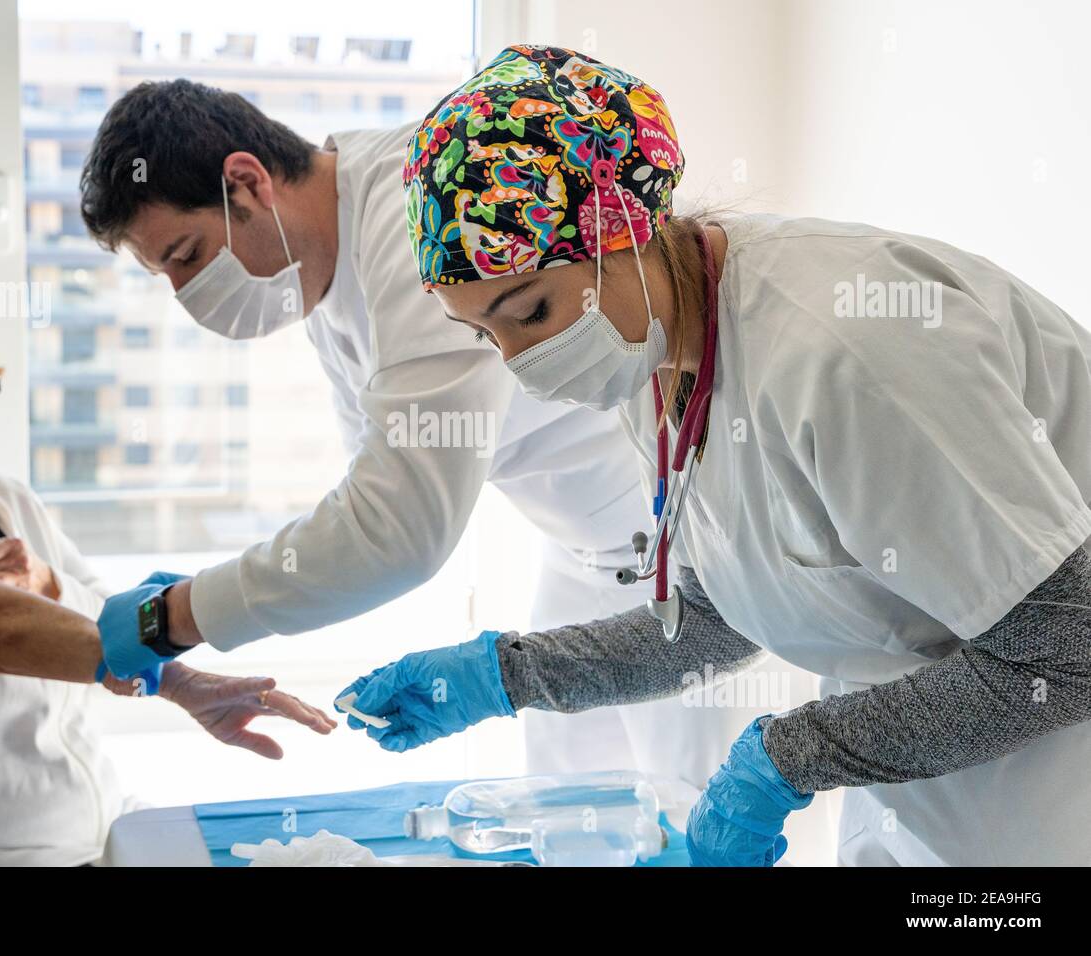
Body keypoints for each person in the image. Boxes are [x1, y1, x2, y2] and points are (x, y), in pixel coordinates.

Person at [337, 44, 1091, 866]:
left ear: (620, 227)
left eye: (531, 310)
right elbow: (724, 612)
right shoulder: (653, 354)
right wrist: (508, 674)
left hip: (1059, 780)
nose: (519, 362)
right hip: (927, 773)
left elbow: (1068, 645)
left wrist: (785, 758)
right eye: (486, 333)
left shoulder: (849, 349)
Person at [77, 78, 807, 798]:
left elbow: (397, 529)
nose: (184, 294)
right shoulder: (326, 273)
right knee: (565, 812)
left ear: (247, 183)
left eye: (185, 255)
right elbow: (372, 491)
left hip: (682, 565)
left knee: (678, 818)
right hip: (583, 553)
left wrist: (175, 615)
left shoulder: (412, 219)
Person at [0, 293, 334, 866]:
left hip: (98, 826)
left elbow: (104, 611)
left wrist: (49, 584)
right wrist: (177, 680)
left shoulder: (9, 499)